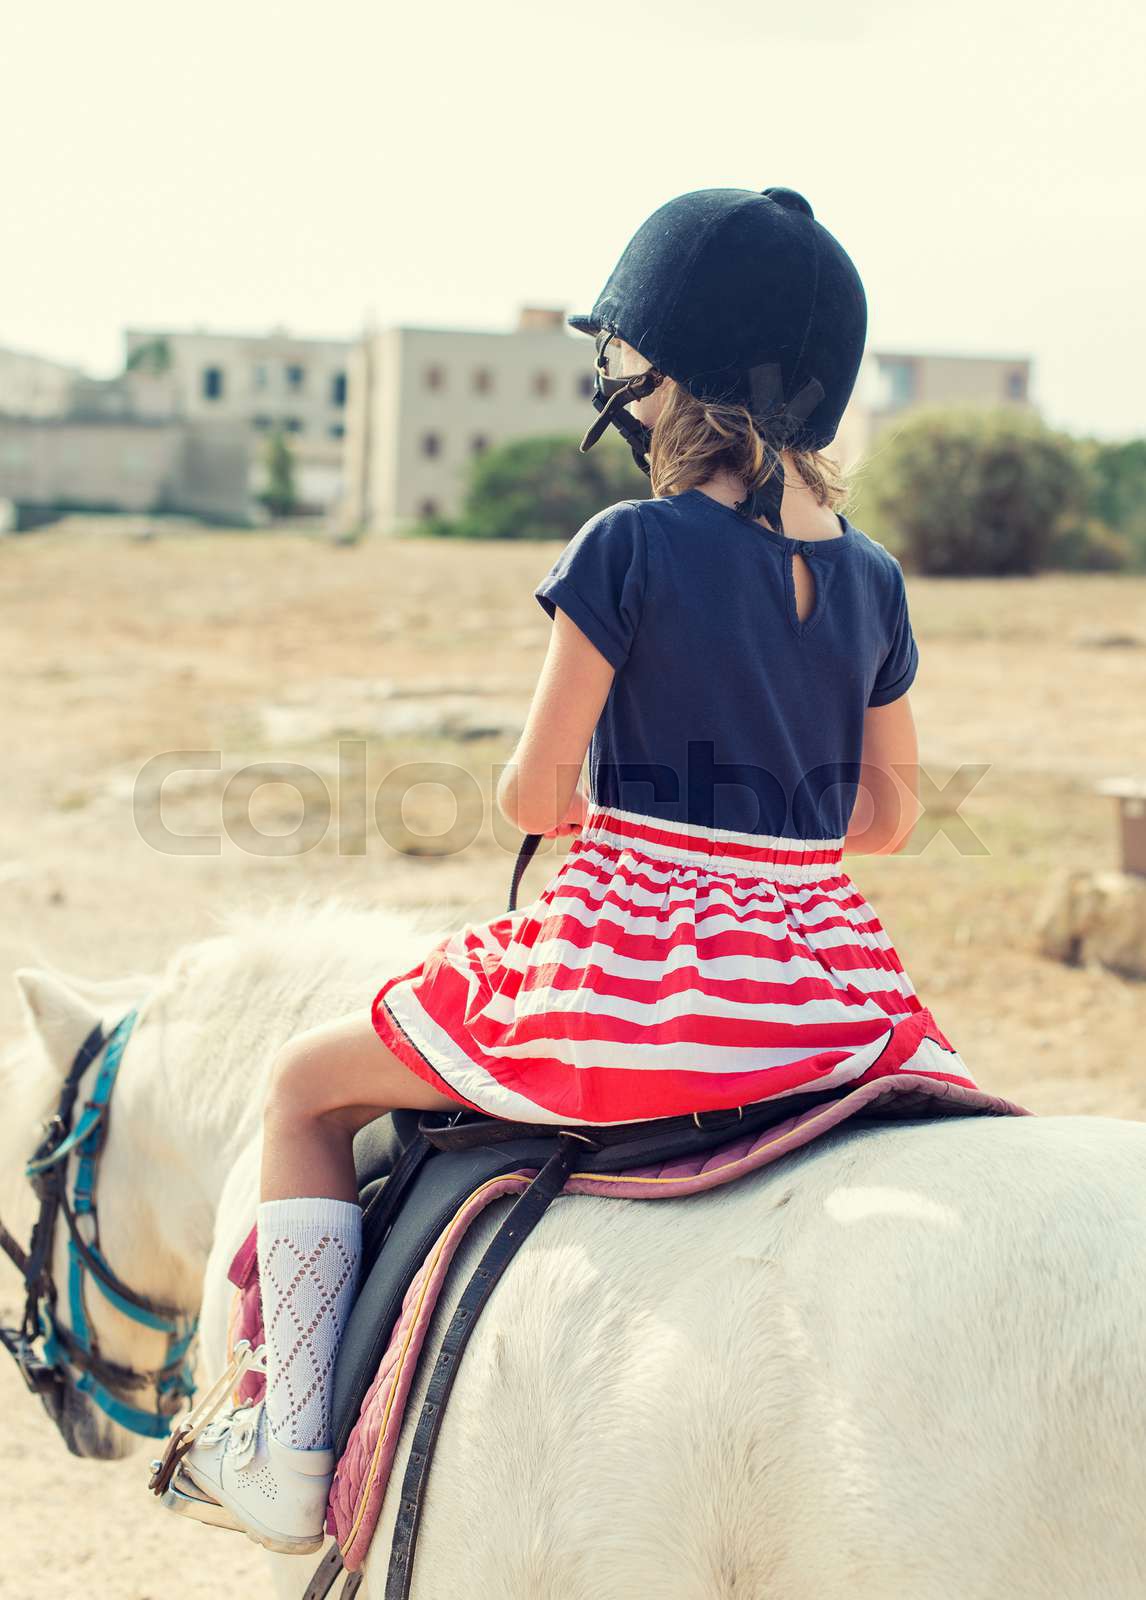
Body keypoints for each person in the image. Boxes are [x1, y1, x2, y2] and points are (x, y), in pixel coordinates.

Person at [161, 185, 981, 1553]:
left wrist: (615, 805)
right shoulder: (874, 577)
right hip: (824, 985)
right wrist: (766, 822)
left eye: (628, 349)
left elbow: (537, 792)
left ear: (681, 369)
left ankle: (288, 1450)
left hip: (639, 969)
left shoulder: (629, 545)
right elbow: (886, 821)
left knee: (303, 1086)